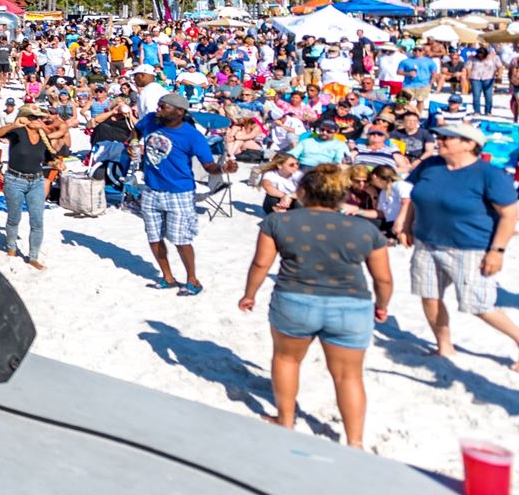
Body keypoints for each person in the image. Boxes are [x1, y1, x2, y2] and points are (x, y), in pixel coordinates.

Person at [237, 164, 393, 449]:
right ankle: (354, 441)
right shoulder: (363, 228)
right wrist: (382, 306)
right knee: (348, 375)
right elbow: (383, 278)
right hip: (350, 305)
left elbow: (261, 264)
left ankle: (285, 420)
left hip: (295, 299)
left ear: (304, 192)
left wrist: (250, 295)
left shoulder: (279, 222)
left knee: (286, 360)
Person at [396, 121, 519, 368]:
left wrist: (497, 251)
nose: (439, 141)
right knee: (429, 296)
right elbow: (413, 196)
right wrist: (406, 224)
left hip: (471, 246)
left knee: (479, 305)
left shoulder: (490, 175)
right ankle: (444, 346)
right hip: (427, 243)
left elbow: (509, 214)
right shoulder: (430, 165)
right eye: (439, 137)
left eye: (447, 138)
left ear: (469, 144)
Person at [134, 92, 224, 295]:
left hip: (180, 193)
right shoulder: (150, 120)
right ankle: (168, 277)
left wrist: (223, 169)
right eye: (159, 105)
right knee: (154, 236)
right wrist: (133, 145)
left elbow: (209, 166)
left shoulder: (192, 136)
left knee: (181, 240)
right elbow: (136, 131)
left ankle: (192, 280)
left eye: (163, 106)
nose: (158, 109)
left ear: (180, 112)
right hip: (150, 189)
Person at [0, 105, 66, 270]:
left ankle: (33, 257)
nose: (40, 120)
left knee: (37, 221)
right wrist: (13, 125)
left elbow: (46, 159)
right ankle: (11, 248)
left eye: (40, 117)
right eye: (35, 117)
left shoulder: (43, 135)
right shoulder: (17, 132)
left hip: (37, 181)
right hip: (14, 180)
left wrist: (56, 164)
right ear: (26, 118)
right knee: (14, 218)